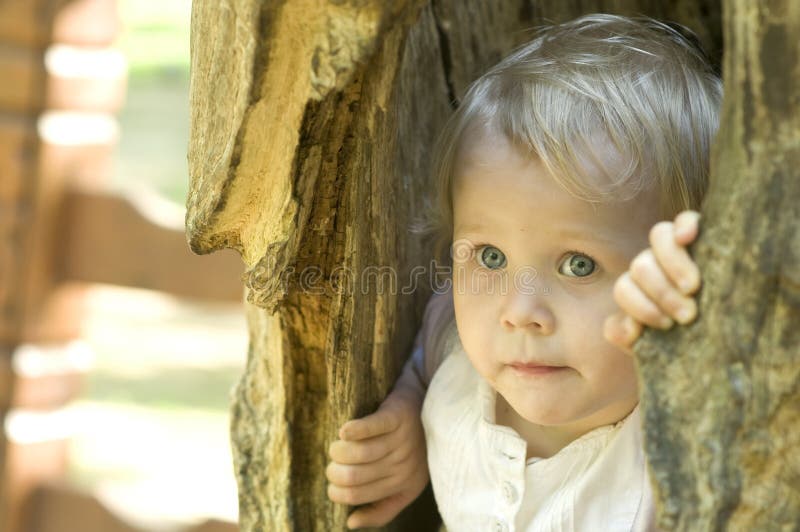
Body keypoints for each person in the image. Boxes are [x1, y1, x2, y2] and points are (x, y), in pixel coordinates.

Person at [327, 13, 721, 531]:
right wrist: (410, 411)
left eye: (579, 265)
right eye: (490, 257)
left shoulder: (690, 436)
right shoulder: (457, 352)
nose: (519, 312)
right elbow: (433, 342)